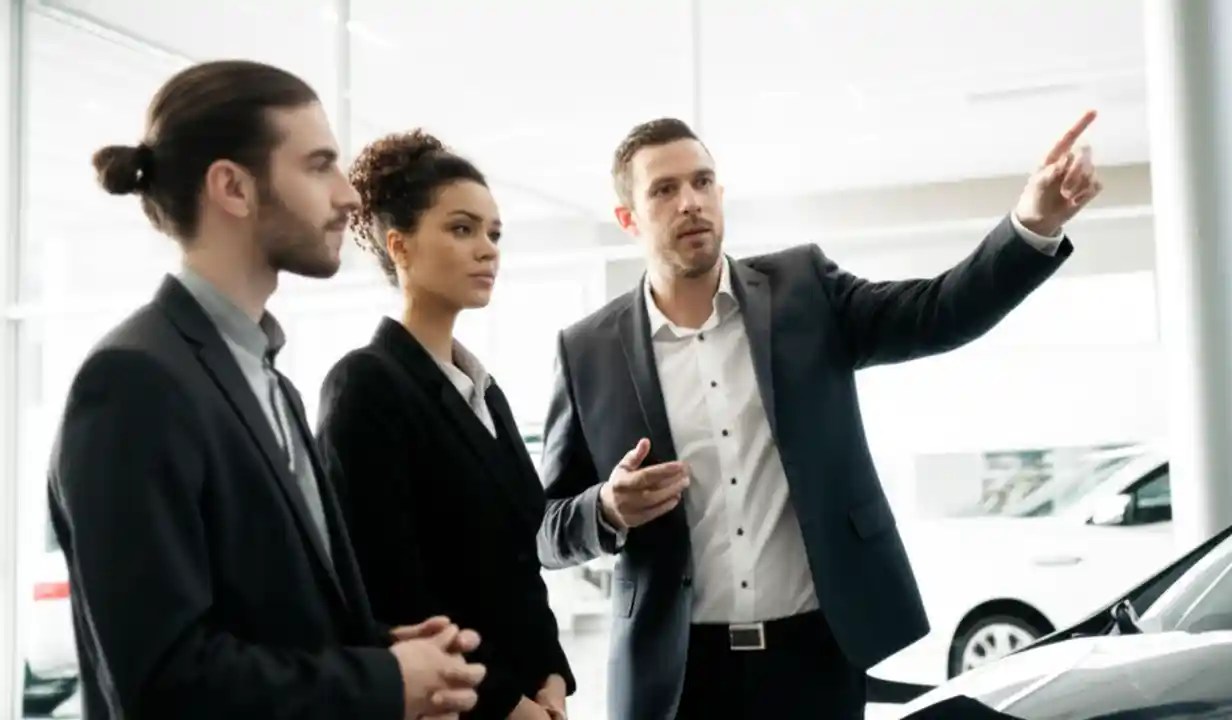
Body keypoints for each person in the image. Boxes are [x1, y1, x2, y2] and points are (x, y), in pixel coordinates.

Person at [537, 113, 1103, 719]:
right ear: (628, 219)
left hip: (812, 659)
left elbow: (937, 311)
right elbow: (545, 529)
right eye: (664, 190)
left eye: (703, 182)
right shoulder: (587, 350)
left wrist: (1032, 225)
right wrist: (606, 508)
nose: (691, 203)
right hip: (676, 677)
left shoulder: (803, 289)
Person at [47, 60, 486, 720]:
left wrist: (382, 653)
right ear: (233, 187)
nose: (348, 195)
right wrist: (382, 682)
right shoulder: (134, 382)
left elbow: (267, 622)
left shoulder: (269, 380)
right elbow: (164, 682)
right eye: (318, 165)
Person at [314, 129, 575, 720]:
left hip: (530, 696)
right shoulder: (365, 386)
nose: (487, 248)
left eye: (494, 233)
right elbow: (388, 591)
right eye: (462, 229)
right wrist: (507, 704)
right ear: (399, 246)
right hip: (449, 705)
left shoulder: (484, 391)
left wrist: (551, 672)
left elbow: (519, 564)